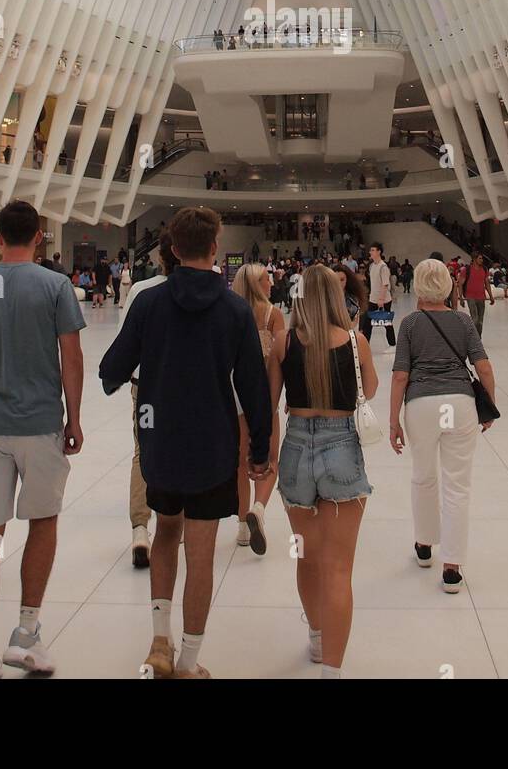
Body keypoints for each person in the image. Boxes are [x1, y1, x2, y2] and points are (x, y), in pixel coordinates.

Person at [99, 207, 271, 680]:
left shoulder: (149, 303)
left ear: (172, 250)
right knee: (200, 550)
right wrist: (259, 451)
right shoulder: (235, 309)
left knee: (166, 535)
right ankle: (190, 661)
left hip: (161, 445)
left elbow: (112, 369)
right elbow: (254, 387)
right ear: (214, 248)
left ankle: (160, 642)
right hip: (213, 448)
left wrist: (134, 373)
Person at [0, 199, 85, 678]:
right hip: (40, 424)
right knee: (42, 521)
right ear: (39, 237)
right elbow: (72, 356)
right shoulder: (55, 285)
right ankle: (26, 632)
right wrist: (75, 418)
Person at [267, 264, 377, 678]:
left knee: (306, 556)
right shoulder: (355, 341)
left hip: (296, 447)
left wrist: (264, 457)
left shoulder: (284, 341)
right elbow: (370, 387)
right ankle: (332, 668)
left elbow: (270, 400)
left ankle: (315, 636)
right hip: (342, 447)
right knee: (339, 568)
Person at [390, 258, 496, 591]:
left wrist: (393, 420)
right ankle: (452, 566)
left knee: (423, 476)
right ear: (448, 286)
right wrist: (489, 408)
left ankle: (424, 545)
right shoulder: (463, 322)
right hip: (459, 405)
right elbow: (485, 368)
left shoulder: (409, 324)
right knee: (457, 484)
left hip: (421, 405)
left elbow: (400, 376)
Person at [120, 235, 176, 570]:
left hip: (145, 386)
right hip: (184, 388)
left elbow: (124, 341)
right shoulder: (200, 289)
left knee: (143, 451)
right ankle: (175, 524)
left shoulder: (141, 291)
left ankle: (141, 528)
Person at [231, 263, 286, 554]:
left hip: (236, 399)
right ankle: (259, 509)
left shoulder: (230, 313)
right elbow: (281, 356)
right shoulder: (272, 315)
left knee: (240, 462)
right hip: (266, 396)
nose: (270, 283)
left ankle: (241, 524)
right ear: (257, 285)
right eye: (266, 279)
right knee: (269, 458)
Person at [366, 242, 396, 347]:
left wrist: (381, 299)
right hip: (373, 298)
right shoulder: (371, 266)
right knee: (367, 323)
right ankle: (365, 344)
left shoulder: (383, 267)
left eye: (373, 250)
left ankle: (392, 343)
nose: (371, 252)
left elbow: (385, 284)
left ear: (379, 252)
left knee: (386, 322)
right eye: (371, 250)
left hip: (383, 300)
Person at [458, 252, 493, 337]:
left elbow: (487, 283)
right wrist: (461, 298)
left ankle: (478, 338)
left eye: (482, 258)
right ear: (474, 259)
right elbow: (460, 284)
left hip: (481, 297)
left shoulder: (484, 269)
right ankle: (473, 337)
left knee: (480, 321)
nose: (482, 260)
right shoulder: (466, 270)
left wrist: (491, 296)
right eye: (480, 258)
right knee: (475, 319)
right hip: (470, 297)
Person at [336, 262, 368, 327]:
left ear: (347, 281)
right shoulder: (326, 297)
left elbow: (352, 323)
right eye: (335, 279)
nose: (338, 283)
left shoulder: (352, 300)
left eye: (342, 280)